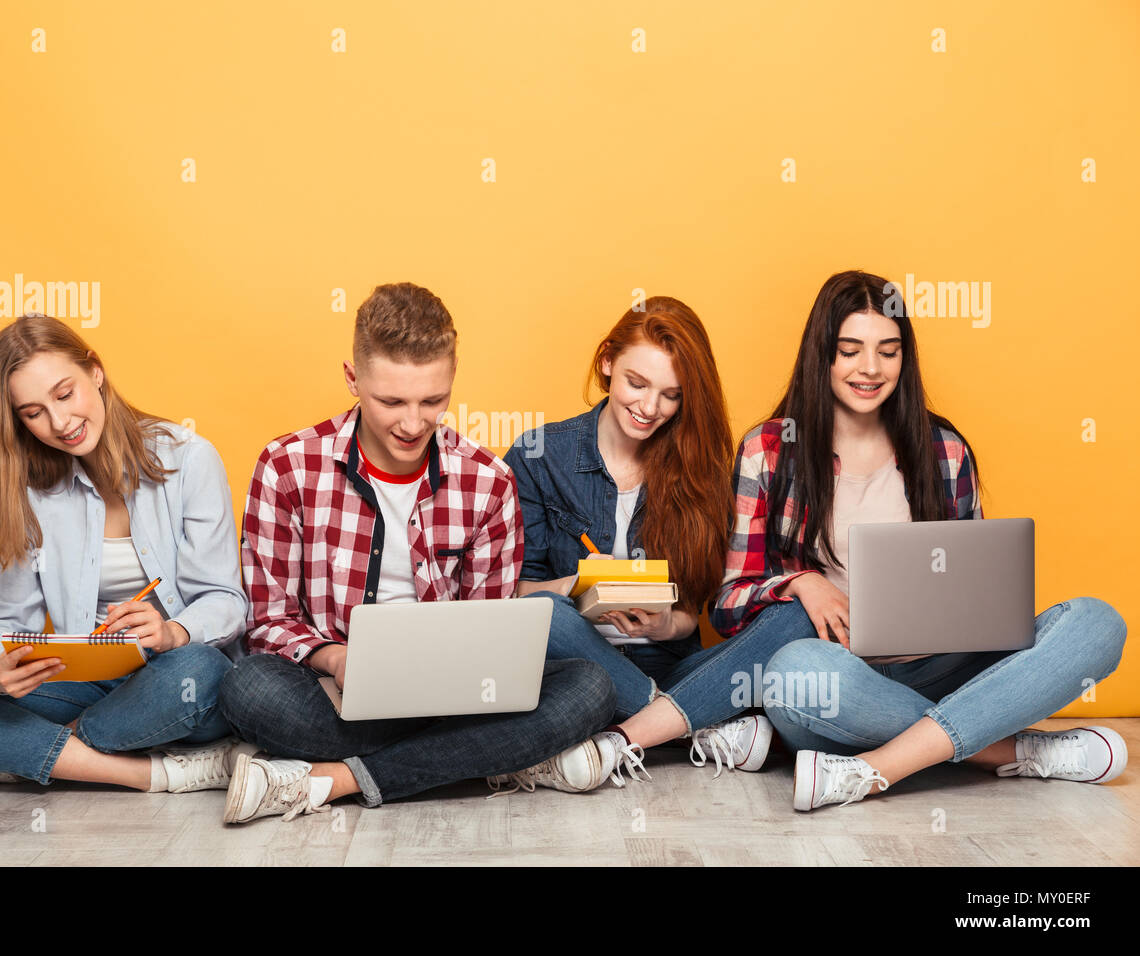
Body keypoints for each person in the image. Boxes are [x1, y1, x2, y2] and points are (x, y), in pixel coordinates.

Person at [713, 270, 1128, 811]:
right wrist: (801, 583)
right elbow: (726, 606)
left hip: (951, 671)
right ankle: (1015, 750)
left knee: (1098, 623)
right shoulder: (767, 449)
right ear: (822, 355)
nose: (870, 369)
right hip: (847, 684)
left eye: (888, 351)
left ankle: (873, 769)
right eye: (850, 350)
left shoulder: (945, 450)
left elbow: (983, 595)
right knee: (794, 675)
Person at [217, 282, 617, 823]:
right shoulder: (287, 465)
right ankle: (498, 757)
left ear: (452, 379)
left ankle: (334, 779)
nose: (412, 424)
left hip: (454, 697)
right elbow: (269, 621)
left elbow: (491, 633)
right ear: (352, 378)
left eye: (433, 401)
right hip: (334, 691)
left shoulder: (488, 481)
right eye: (391, 401)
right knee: (247, 687)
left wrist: (465, 683)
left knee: (591, 688)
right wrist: (333, 657)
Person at [0, 315, 252, 794]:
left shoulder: (189, 459)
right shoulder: (28, 491)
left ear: (94, 372)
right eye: (33, 413)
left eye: (64, 394)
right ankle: (148, 773)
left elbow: (225, 599)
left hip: (172, 681)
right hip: (82, 689)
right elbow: (1, 622)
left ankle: (15, 755)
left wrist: (171, 631)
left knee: (201, 672)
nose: (60, 423)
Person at [505, 297, 800, 785]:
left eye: (670, 395)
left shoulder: (701, 469)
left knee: (790, 618)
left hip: (669, 666)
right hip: (574, 668)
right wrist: (577, 586)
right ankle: (690, 727)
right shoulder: (539, 456)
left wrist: (666, 625)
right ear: (606, 363)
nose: (648, 407)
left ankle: (637, 728)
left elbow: (695, 613)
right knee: (548, 616)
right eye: (636, 383)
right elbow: (509, 595)